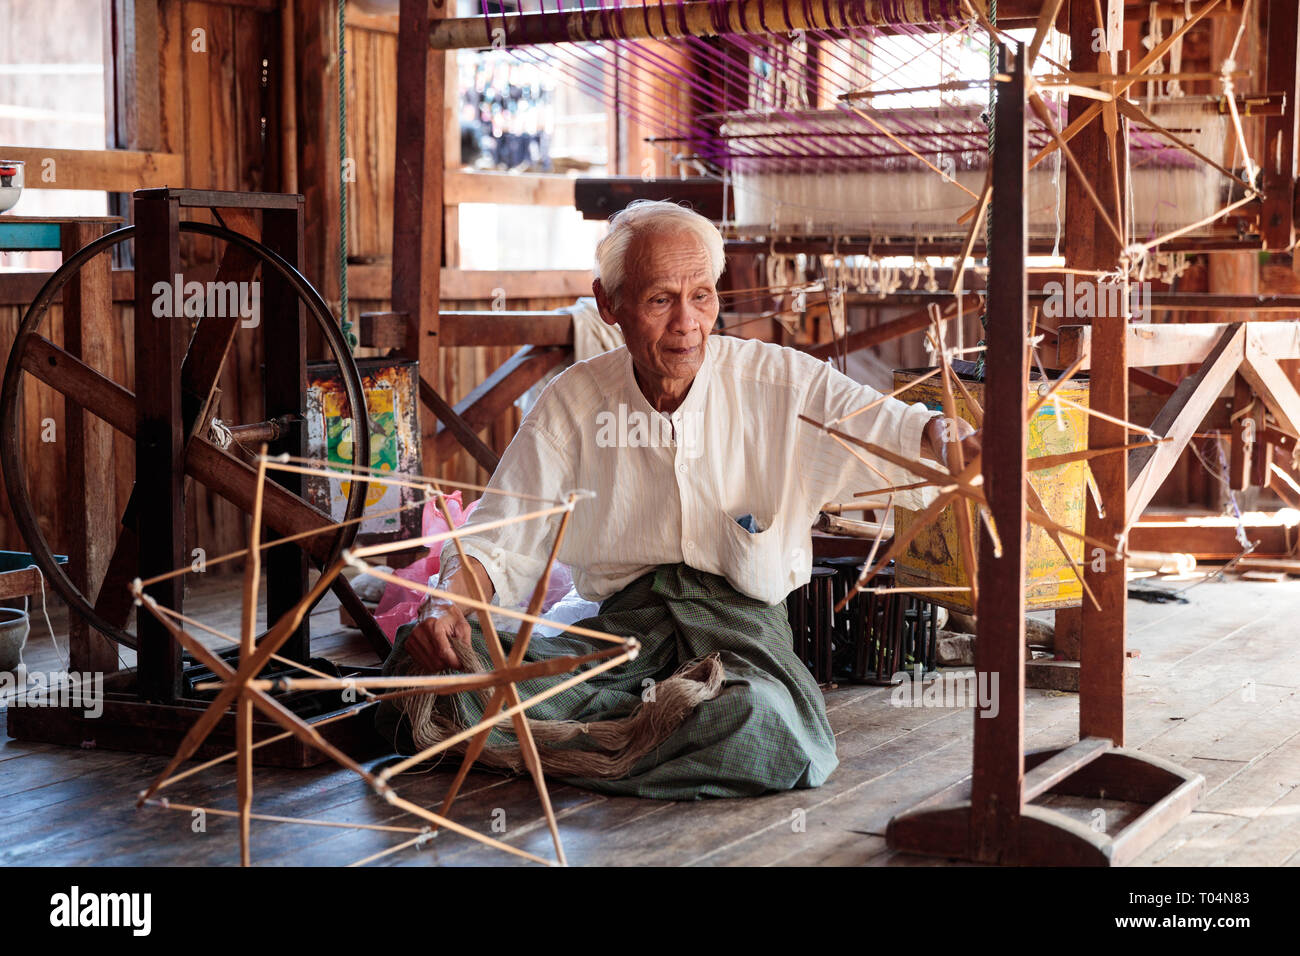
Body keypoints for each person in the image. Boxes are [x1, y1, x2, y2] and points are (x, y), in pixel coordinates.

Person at [375, 200, 979, 799]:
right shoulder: (574, 403)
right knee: (432, 664)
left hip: (739, 639)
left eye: (703, 296)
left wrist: (949, 436)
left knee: (757, 724)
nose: (687, 322)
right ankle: (631, 734)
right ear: (608, 304)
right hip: (619, 639)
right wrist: (444, 608)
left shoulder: (779, 381)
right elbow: (498, 536)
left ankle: (584, 744)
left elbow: (893, 426)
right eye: (661, 300)